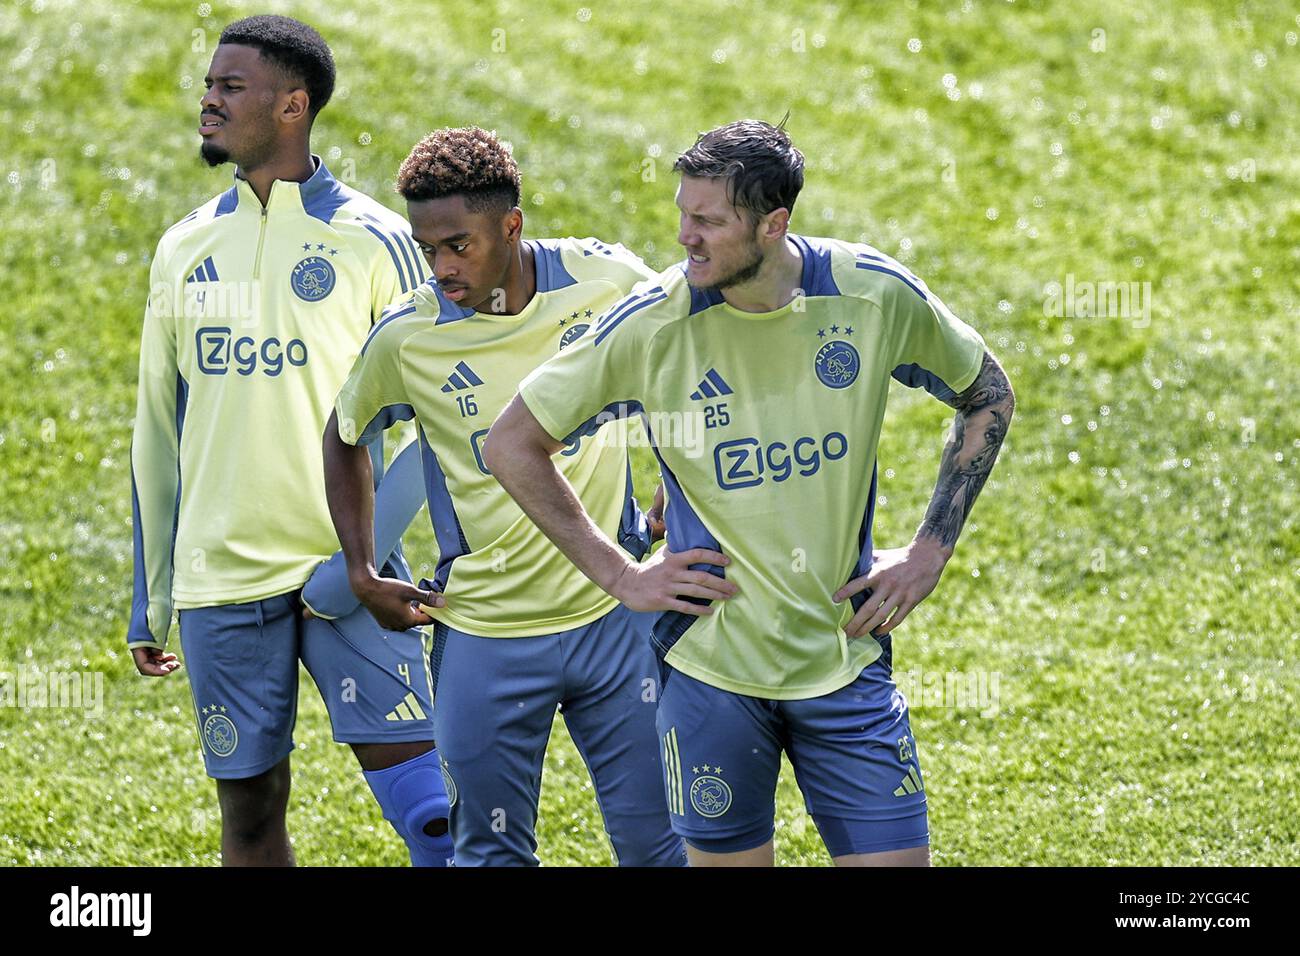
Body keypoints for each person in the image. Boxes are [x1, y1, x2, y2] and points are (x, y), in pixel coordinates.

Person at [484, 118, 1015, 867]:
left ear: (774, 224)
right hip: (711, 671)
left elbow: (987, 393)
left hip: (844, 655)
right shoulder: (654, 325)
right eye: (681, 213)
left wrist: (932, 549)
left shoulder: (869, 296)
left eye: (707, 220)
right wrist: (619, 575)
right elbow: (512, 444)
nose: (683, 237)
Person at [127, 14, 450, 866]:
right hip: (220, 577)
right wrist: (149, 591)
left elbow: (444, 423)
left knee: (433, 813)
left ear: (293, 106)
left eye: (231, 87)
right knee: (251, 814)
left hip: (352, 577)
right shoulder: (184, 247)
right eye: (208, 84)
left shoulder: (378, 241)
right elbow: (157, 427)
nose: (208, 100)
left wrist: (362, 560)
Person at [322, 126, 685, 867]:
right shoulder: (409, 339)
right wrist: (361, 570)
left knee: (661, 848)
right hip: (486, 635)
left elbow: (693, 363)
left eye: (460, 245)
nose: (442, 268)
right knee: (489, 854)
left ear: (511, 225)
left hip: (615, 621)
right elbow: (345, 433)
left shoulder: (608, 282)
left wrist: (671, 486)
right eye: (428, 250)